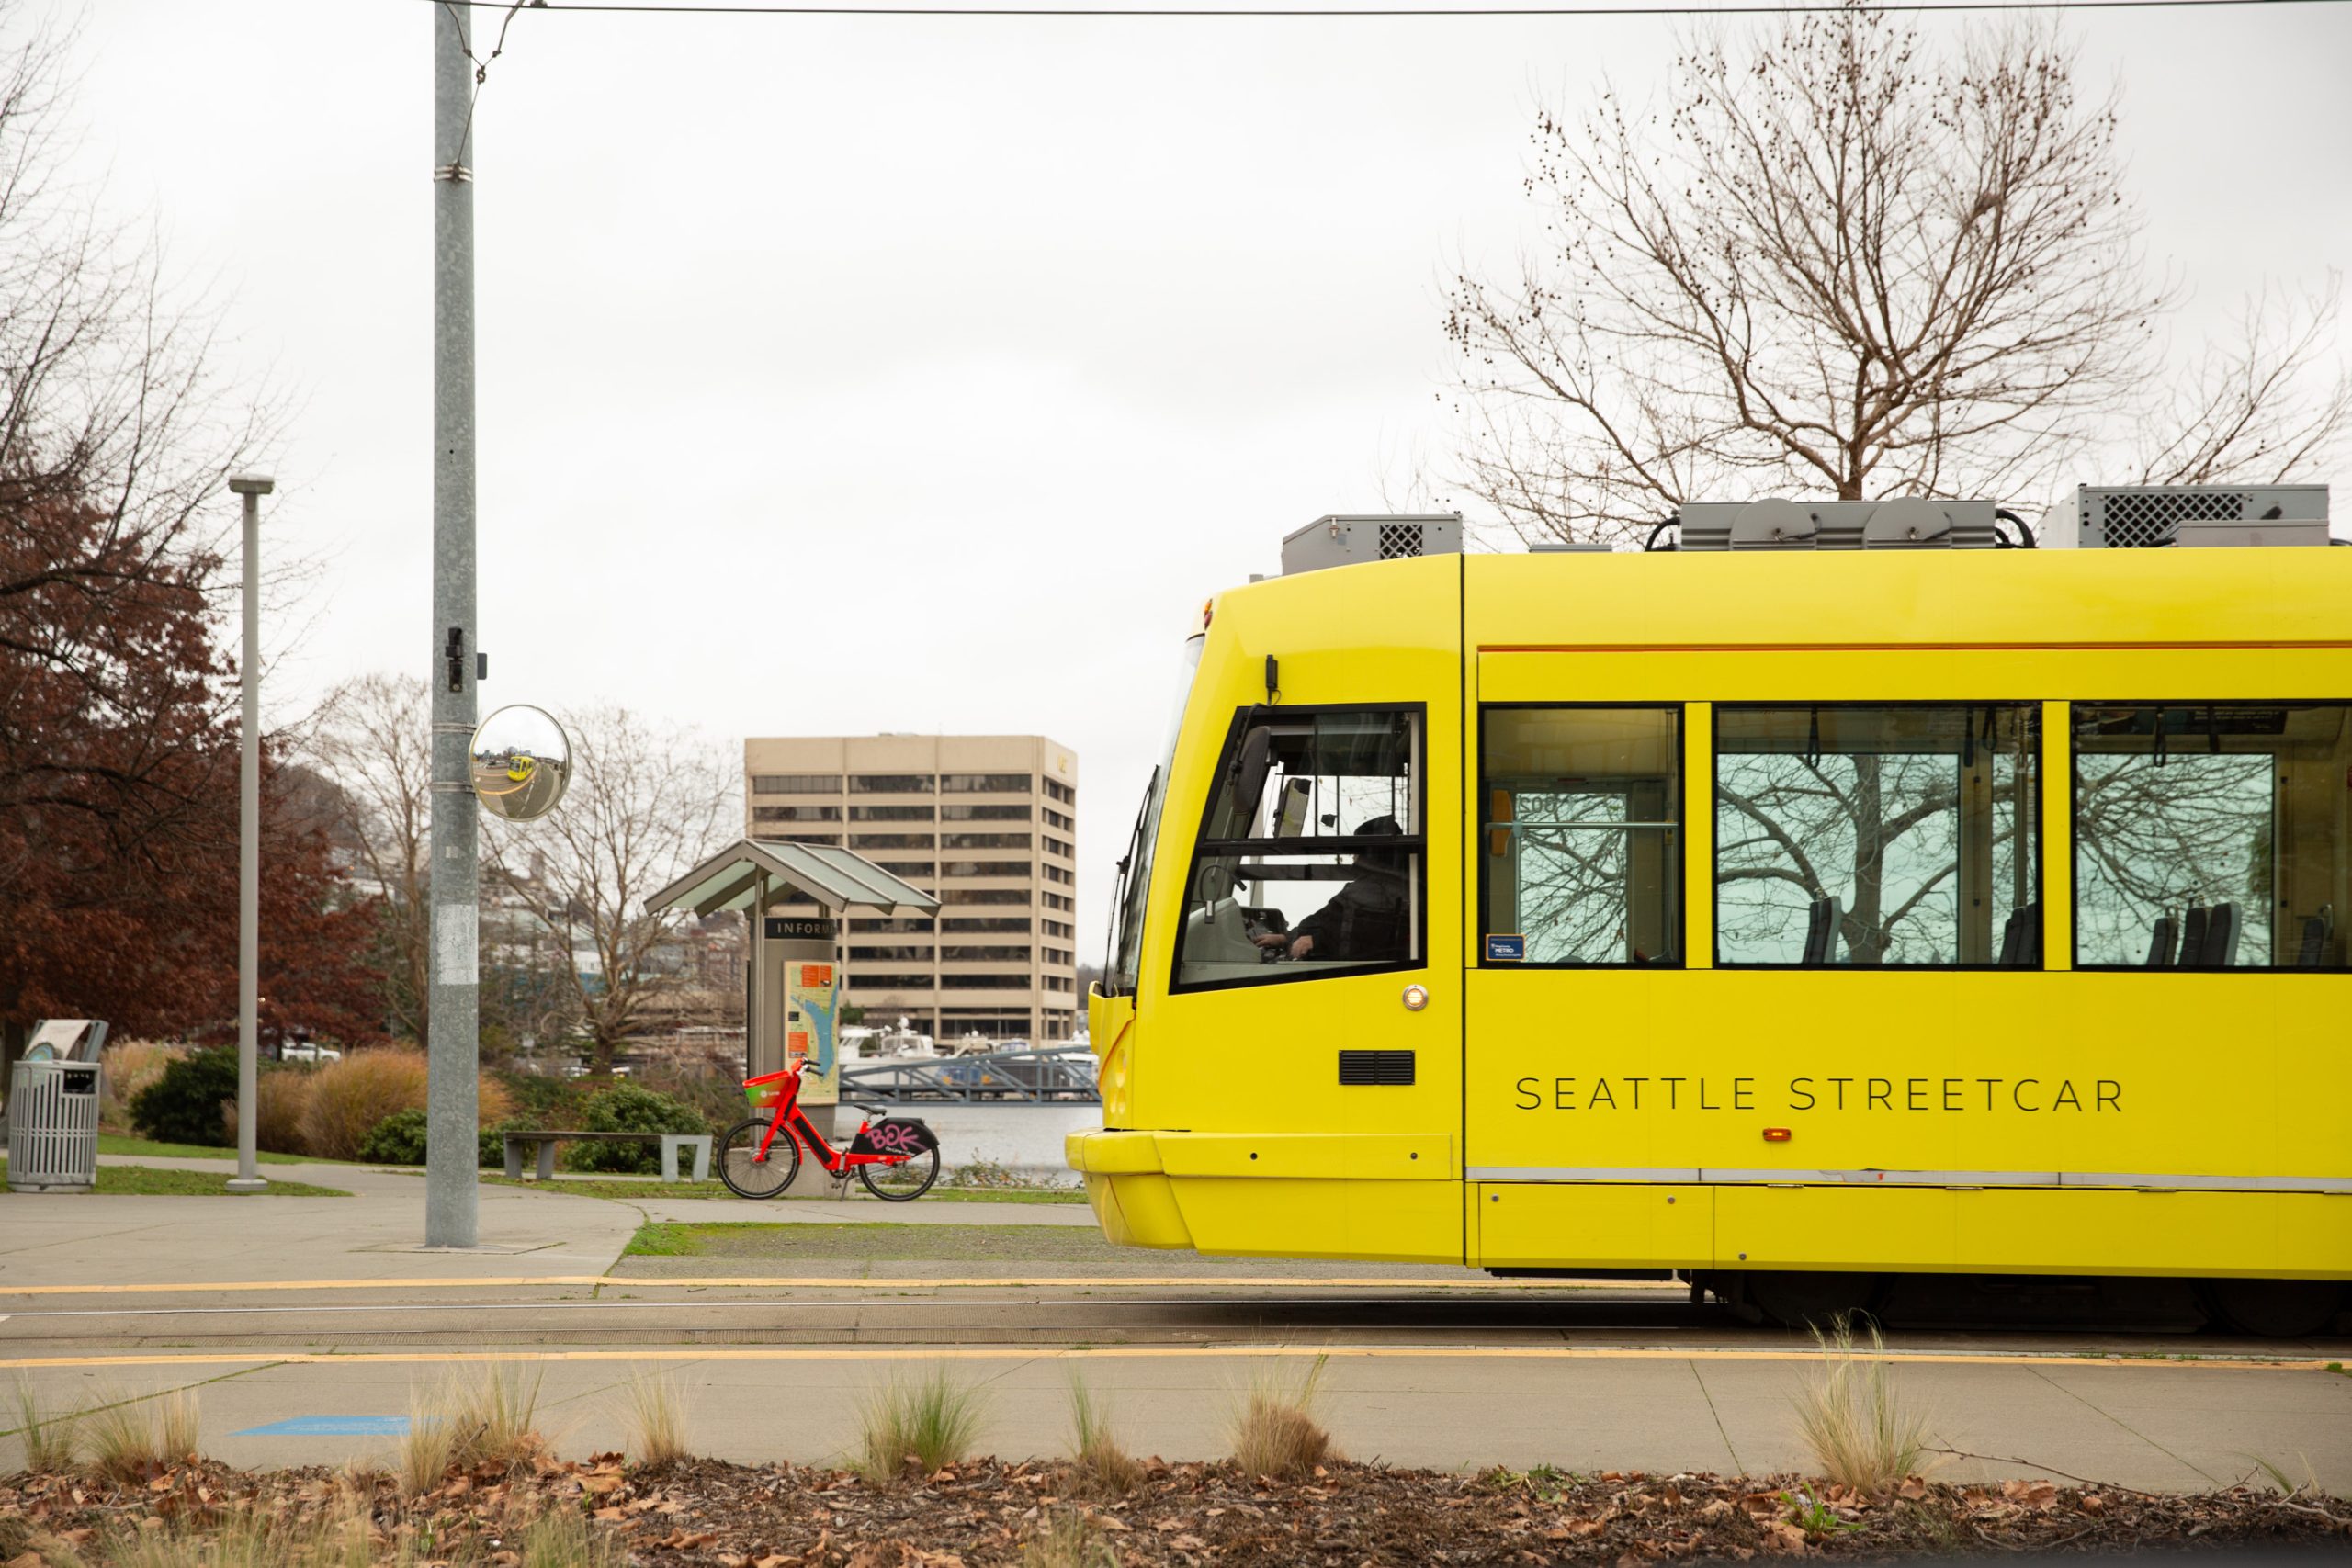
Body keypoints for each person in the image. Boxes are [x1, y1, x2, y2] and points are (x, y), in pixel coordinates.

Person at [1252, 816, 1410, 963]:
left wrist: (1315, 941)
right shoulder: (1376, 886)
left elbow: (1357, 937)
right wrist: (1286, 938)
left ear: (1370, 854)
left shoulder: (1377, 891)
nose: (1353, 858)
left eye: (1357, 852)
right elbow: (1323, 921)